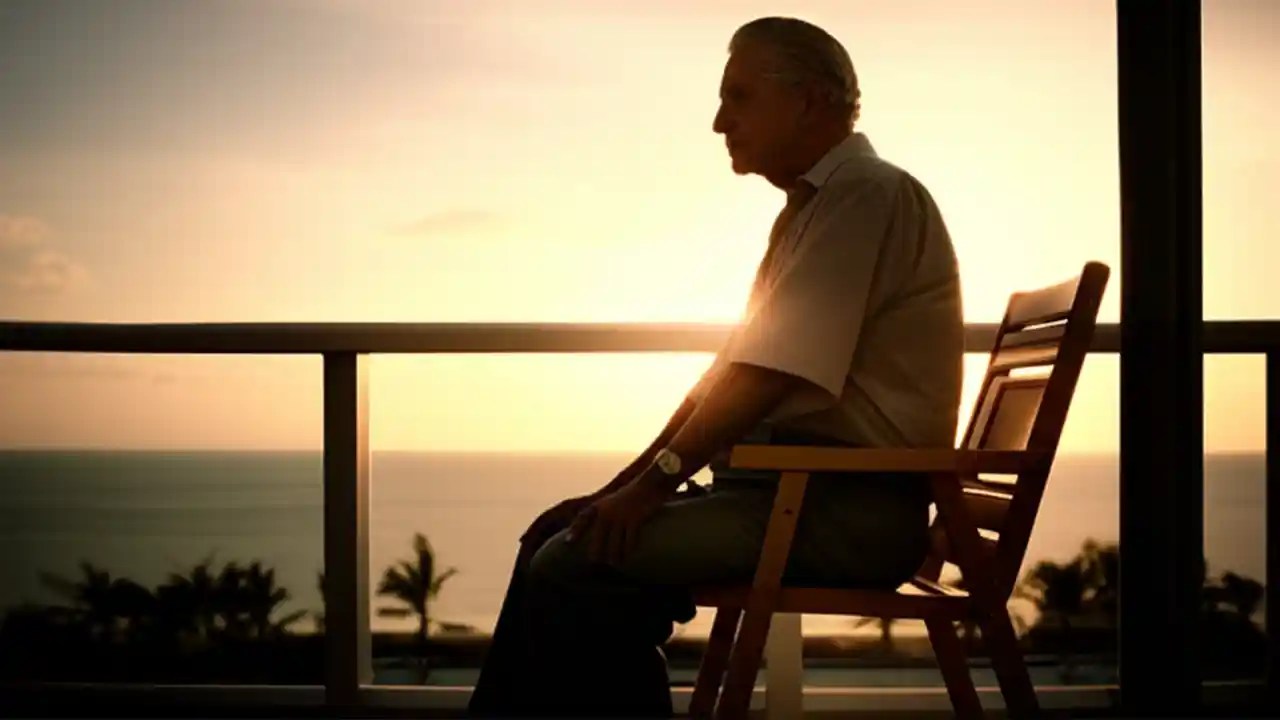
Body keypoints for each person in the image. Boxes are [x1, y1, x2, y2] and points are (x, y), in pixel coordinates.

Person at [467, 15, 963, 718]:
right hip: (786, 497)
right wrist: (621, 488)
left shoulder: (864, 194)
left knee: (570, 567)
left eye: (739, 96)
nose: (718, 122)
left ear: (810, 99)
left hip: (838, 512)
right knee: (558, 537)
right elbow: (726, 378)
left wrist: (647, 491)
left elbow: (768, 376)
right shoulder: (811, 211)